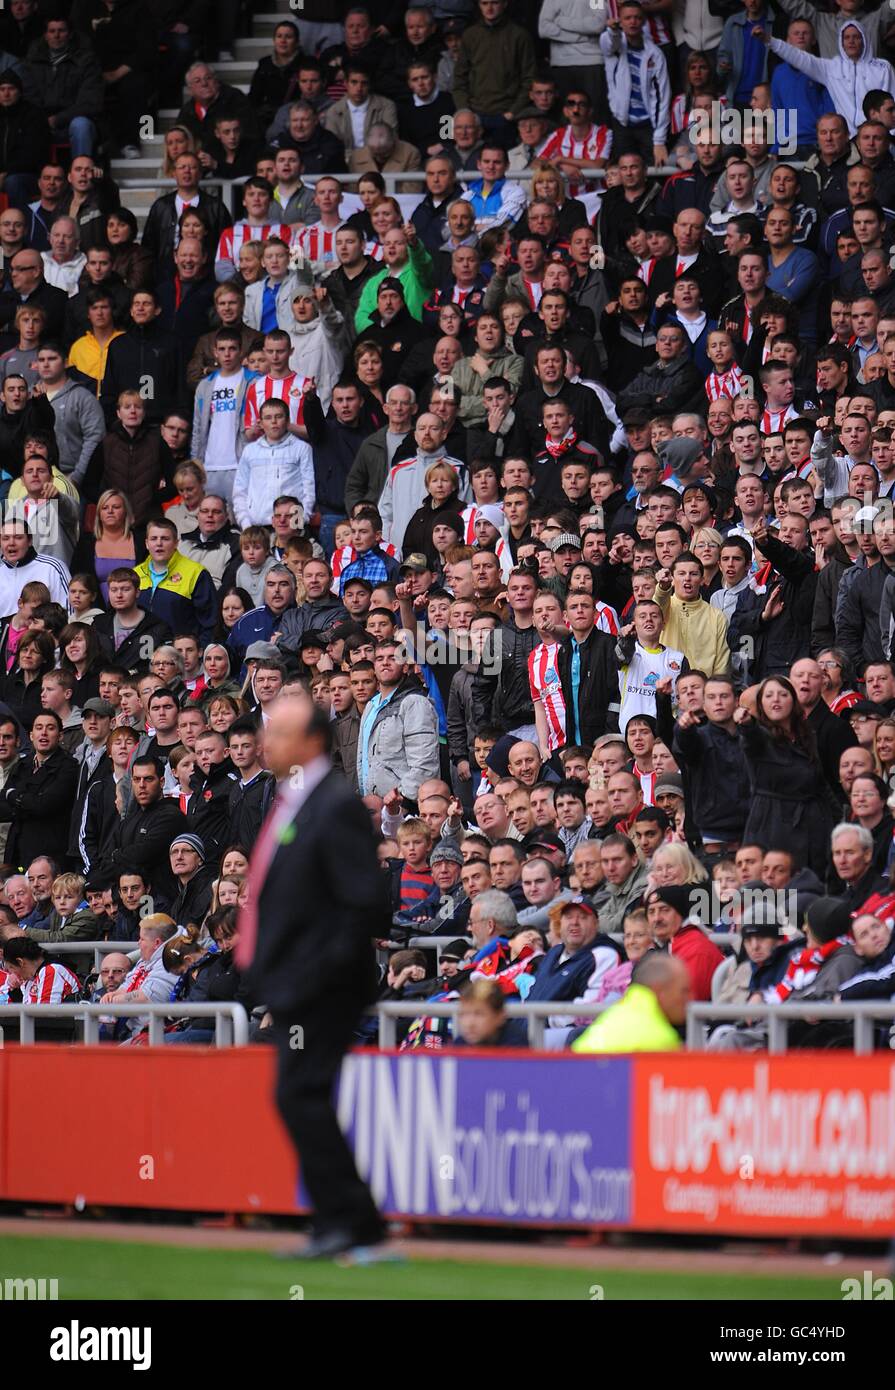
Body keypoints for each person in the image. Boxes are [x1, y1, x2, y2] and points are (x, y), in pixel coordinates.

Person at [236, 691, 389, 1259]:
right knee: (303, 1095)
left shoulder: (333, 803)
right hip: (295, 979)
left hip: (323, 984)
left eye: (278, 733)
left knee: (299, 1093)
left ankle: (344, 1223)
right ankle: (354, 1223)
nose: (265, 743)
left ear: (312, 741)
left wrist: (315, 971)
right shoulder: (296, 798)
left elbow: (367, 903)